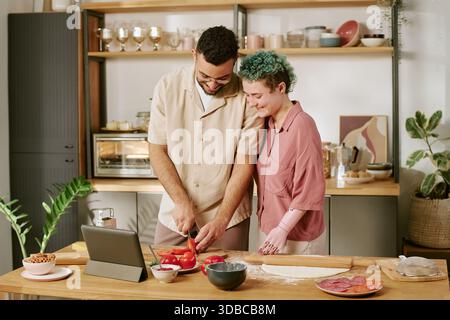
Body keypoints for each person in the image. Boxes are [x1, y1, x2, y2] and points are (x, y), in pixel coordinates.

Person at [148, 26, 263, 252]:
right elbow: (157, 150)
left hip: (227, 218)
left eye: (222, 78)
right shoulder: (167, 87)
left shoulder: (247, 96)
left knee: (225, 281)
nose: (211, 85)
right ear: (194, 55)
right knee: (163, 276)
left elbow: (244, 164)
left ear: (235, 62)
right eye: (204, 76)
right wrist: (181, 201)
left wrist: (222, 220)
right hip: (176, 214)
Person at [238, 51, 326, 255]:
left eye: (257, 96)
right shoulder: (264, 124)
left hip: (298, 237)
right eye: (247, 95)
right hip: (269, 231)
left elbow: (309, 189)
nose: (251, 103)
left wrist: (283, 228)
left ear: (280, 88)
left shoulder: (303, 125)